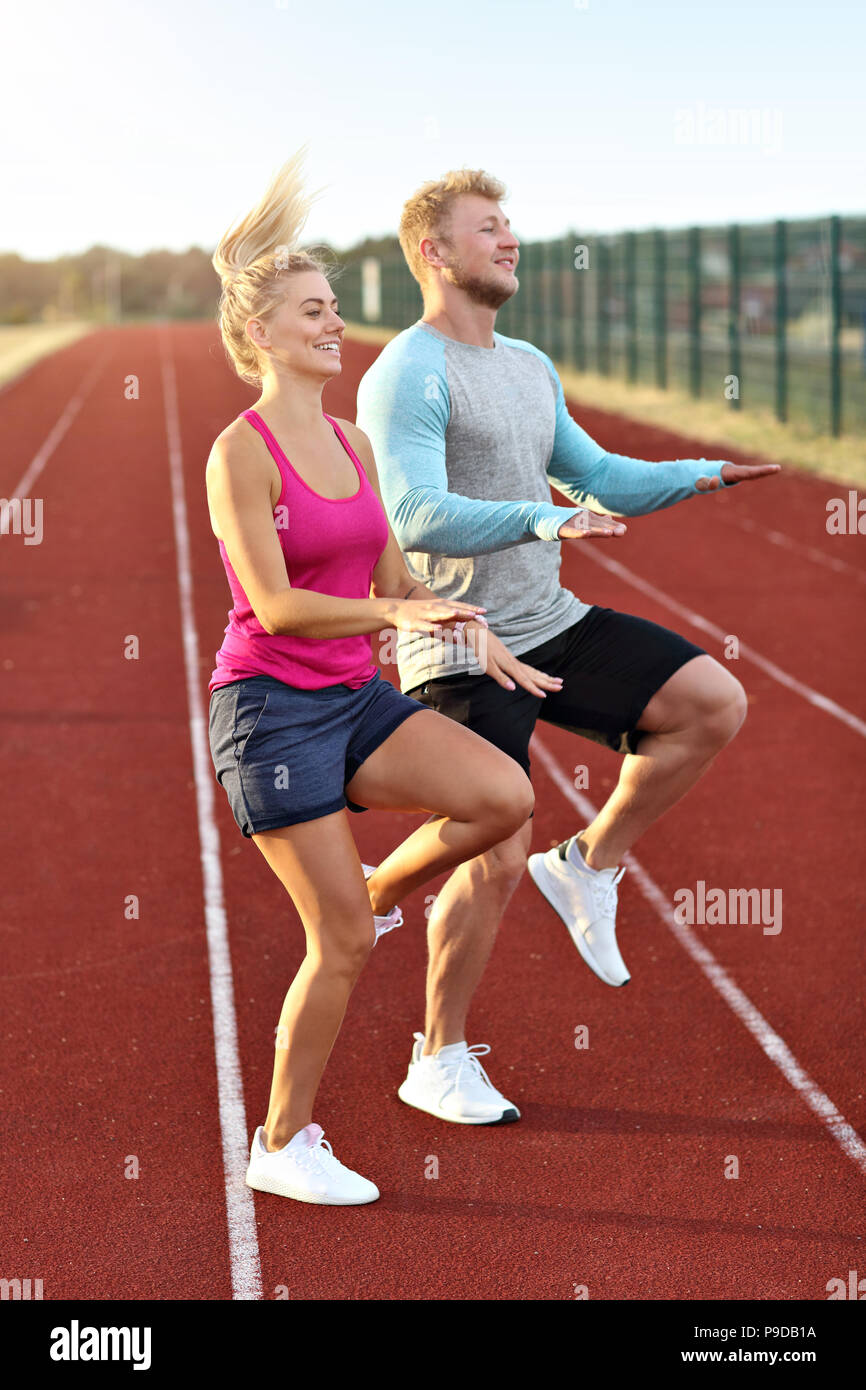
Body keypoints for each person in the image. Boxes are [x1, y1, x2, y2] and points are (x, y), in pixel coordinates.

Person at [356, 169, 780, 1114]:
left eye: (511, 226)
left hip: (551, 624)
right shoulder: (407, 373)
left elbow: (596, 478)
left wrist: (704, 473)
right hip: (460, 641)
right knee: (495, 844)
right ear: (434, 251)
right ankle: (438, 1055)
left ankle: (587, 865)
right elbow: (415, 514)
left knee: (713, 702)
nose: (511, 242)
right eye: (489, 229)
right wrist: (543, 521)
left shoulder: (529, 364)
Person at [206, 153, 541, 1206]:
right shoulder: (240, 452)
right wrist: (396, 611)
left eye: (334, 308)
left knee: (503, 796)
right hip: (270, 713)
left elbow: (401, 578)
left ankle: (381, 892)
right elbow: (275, 607)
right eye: (311, 311)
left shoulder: (350, 439)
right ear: (260, 333)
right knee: (338, 937)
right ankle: (281, 1139)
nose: (331, 324)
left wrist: (466, 629)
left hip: (352, 701)